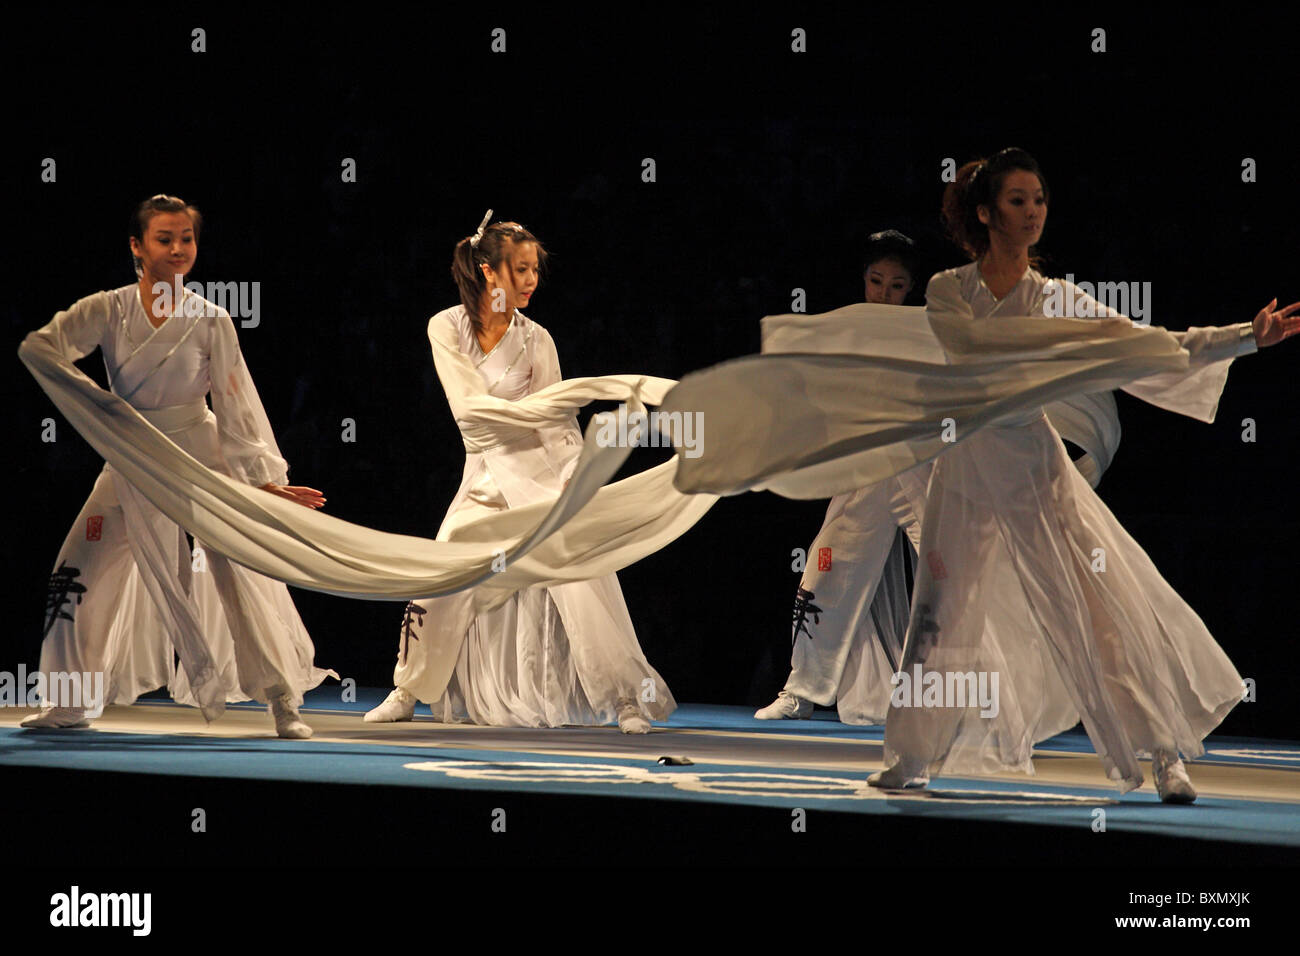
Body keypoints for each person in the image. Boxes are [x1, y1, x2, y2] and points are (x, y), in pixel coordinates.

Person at [868, 148, 1300, 801]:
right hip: (964, 471)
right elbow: (978, 356)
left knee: (1101, 607)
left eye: (1039, 199)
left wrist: (1246, 337)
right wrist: (1055, 349)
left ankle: (1162, 754)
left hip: (1033, 468)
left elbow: (1146, 345)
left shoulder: (1058, 299)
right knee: (937, 614)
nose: (1033, 211)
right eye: (1018, 200)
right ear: (985, 213)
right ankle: (910, 755)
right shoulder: (947, 290)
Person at [21, 194, 333, 738]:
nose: (178, 249)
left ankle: (282, 700)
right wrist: (104, 411)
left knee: (238, 573)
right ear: (137, 247)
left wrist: (261, 483)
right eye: (164, 239)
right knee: (77, 572)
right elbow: (39, 349)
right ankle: (68, 703)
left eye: (186, 238)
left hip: (201, 457)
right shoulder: (108, 308)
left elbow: (238, 405)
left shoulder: (210, 319)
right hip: (132, 457)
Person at [365, 212, 675, 733]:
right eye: (521, 270)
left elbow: (556, 423)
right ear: (490, 272)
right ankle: (409, 688)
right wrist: (525, 416)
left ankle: (622, 698)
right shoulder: (447, 326)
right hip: (483, 473)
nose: (531, 281)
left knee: (579, 571)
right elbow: (467, 409)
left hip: (537, 469)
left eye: (535, 271)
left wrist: (579, 478)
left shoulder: (538, 340)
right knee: (444, 569)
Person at [757, 230, 928, 724]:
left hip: (919, 465)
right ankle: (801, 687)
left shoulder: (927, 332)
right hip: (866, 470)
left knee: (955, 570)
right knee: (826, 567)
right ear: (864, 281)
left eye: (896, 286)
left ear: (910, 290)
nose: (884, 293)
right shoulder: (847, 333)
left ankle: (988, 699)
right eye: (876, 281)